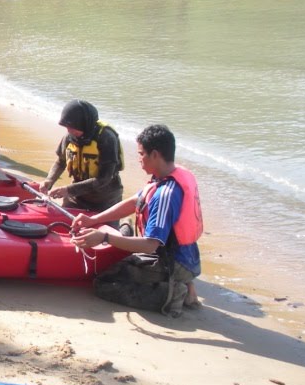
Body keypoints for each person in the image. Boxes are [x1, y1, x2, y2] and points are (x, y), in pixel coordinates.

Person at [72, 124, 202, 317]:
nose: (138, 159)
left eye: (141, 154)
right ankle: (184, 282)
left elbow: (150, 245)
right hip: (187, 255)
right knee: (126, 226)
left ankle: (175, 294)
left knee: (104, 284)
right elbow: (136, 202)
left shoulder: (165, 194)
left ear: (155, 155)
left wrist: (105, 238)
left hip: (173, 261)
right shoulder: (166, 175)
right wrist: (94, 219)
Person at [40, 99, 124, 212]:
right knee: (65, 224)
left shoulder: (106, 138)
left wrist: (68, 190)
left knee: (104, 229)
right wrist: (49, 180)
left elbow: (104, 179)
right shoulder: (69, 137)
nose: (69, 130)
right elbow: (60, 162)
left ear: (84, 124)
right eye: (67, 126)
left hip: (106, 199)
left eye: (72, 126)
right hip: (77, 197)